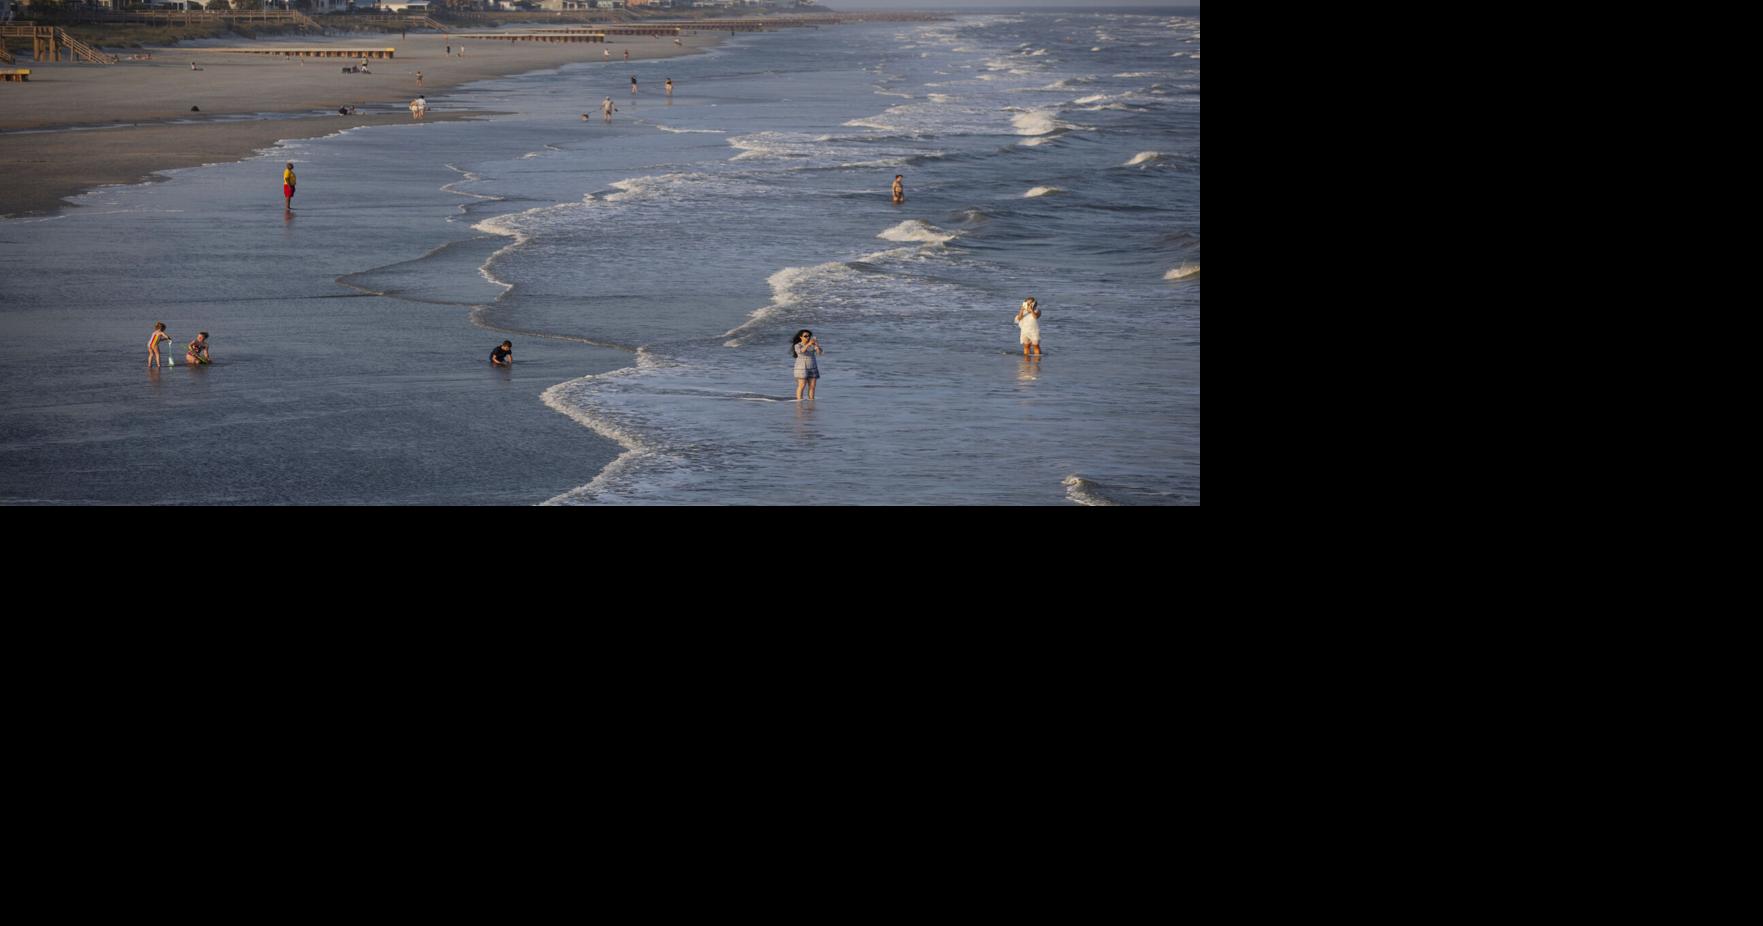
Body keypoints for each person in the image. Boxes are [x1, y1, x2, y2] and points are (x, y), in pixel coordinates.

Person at [792, 329, 821, 401]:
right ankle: (799, 401)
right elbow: (801, 352)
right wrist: (808, 344)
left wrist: (817, 345)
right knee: (802, 385)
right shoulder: (797, 345)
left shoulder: (812, 345)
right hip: (801, 368)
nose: (807, 337)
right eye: (805, 336)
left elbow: (819, 353)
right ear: (801, 337)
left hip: (812, 367)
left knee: (812, 386)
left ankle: (811, 401)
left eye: (809, 336)